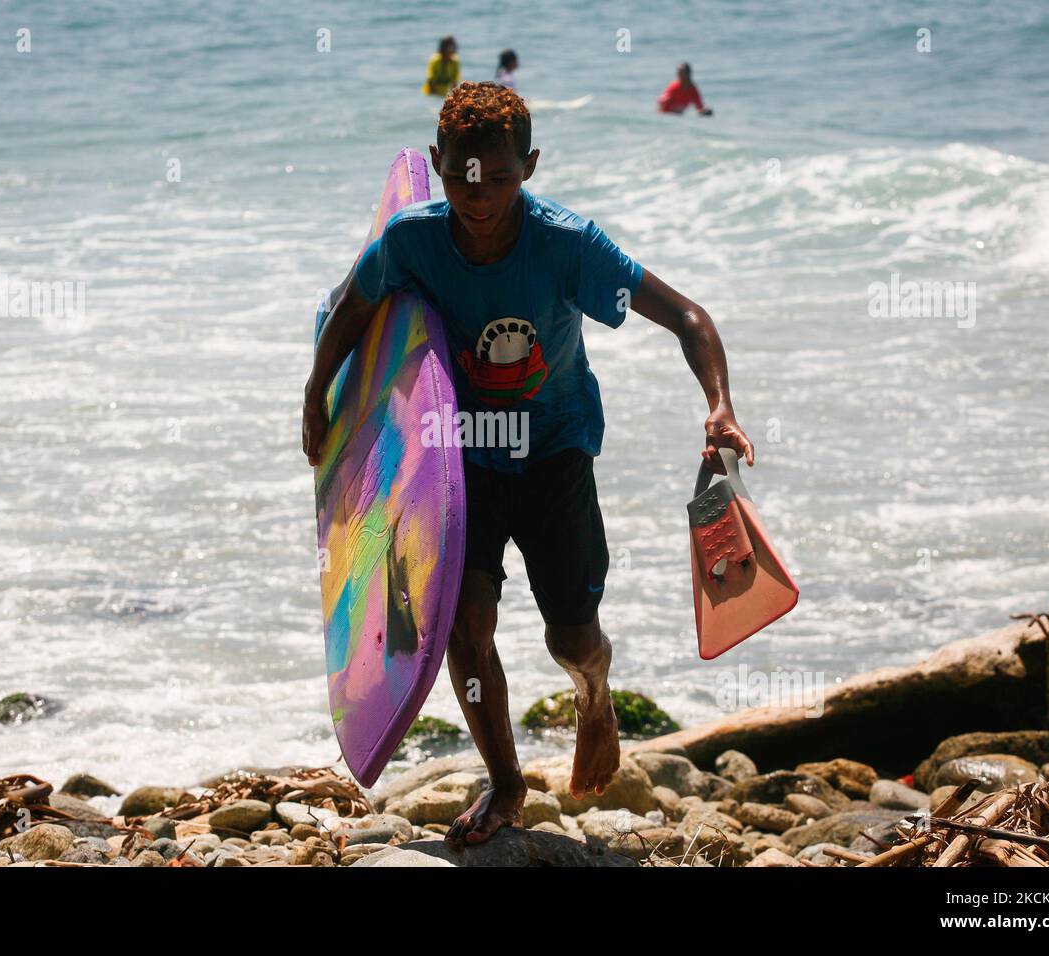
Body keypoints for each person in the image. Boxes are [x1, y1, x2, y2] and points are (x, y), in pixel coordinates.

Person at [303, 82, 752, 845]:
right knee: (464, 626)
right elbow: (352, 305)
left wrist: (720, 403)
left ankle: (595, 697)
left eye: (500, 180)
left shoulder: (567, 244)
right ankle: (506, 782)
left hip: (553, 453)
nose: (478, 200)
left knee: (571, 640)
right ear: (441, 165)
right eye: (460, 180)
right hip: (462, 461)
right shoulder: (412, 240)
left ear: (530, 167)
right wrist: (318, 392)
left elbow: (686, 316)